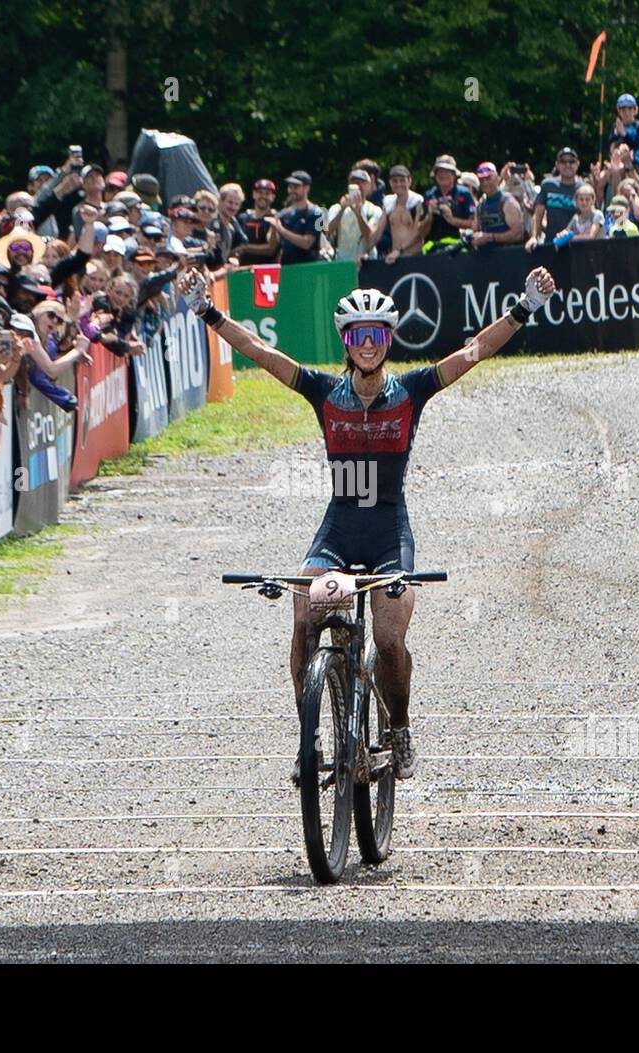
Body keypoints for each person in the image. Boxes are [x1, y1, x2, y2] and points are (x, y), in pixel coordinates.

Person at [177, 262, 556, 781]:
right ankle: (308, 742)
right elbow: (262, 354)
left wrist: (524, 307)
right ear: (347, 341)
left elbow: (473, 352)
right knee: (304, 616)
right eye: (359, 335)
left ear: (389, 338)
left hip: (388, 529)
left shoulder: (412, 391)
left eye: (376, 334)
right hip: (338, 526)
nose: (368, 344)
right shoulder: (322, 392)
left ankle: (398, 730)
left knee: (388, 639)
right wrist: (206, 310)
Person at [418, 155, 476, 253]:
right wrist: (430, 215)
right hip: (433, 248)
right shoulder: (429, 195)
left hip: (459, 248)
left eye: (446, 172)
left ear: (454, 175)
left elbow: (474, 224)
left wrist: (451, 219)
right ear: (435, 175)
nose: (443, 175)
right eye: (439, 172)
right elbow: (421, 232)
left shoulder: (464, 193)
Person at [527, 147, 581, 249]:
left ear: (577, 164)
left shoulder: (583, 188)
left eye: (571, 161)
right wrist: (533, 237)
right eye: (563, 161)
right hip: (551, 244)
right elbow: (538, 214)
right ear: (557, 165)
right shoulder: (548, 185)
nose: (567, 165)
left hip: (576, 246)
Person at [267, 171, 325, 265]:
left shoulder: (316, 213)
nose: (292, 190)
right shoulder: (283, 213)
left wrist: (281, 230)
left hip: (308, 267)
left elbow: (307, 243)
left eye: (296, 187)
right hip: (287, 267)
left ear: (306, 188)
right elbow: (272, 245)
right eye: (290, 186)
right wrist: (274, 229)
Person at [325, 169, 382, 261]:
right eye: (354, 182)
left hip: (366, 262)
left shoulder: (374, 210)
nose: (358, 186)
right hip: (343, 262)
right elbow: (328, 232)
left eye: (362, 182)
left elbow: (371, 237)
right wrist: (342, 210)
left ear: (368, 185)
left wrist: (358, 214)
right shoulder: (336, 208)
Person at [371, 165, 425, 263]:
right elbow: (379, 231)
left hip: (415, 257)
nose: (398, 184)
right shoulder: (388, 203)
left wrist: (399, 251)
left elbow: (418, 233)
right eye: (395, 181)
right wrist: (367, 251)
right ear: (390, 183)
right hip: (396, 258)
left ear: (409, 181)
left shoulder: (417, 202)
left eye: (402, 180)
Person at [469, 163, 525, 249]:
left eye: (488, 178)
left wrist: (490, 237)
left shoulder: (508, 202)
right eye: (482, 180)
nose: (485, 182)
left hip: (508, 255)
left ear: (497, 178)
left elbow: (518, 235)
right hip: (484, 258)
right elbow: (475, 229)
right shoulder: (480, 205)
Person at [236, 179, 280, 262]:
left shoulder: (275, 218)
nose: (263, 196)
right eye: (260, 193)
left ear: (273, 197)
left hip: (266, 270)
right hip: (242, 269)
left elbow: (271, 248)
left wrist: (245, 248)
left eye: (267, 194)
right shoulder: (242, 218)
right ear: (254, 194)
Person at [608, 93, 639, 167]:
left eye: (630, 109)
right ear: (619, 111)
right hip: (618, 162)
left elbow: (637, 145)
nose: (626, 112)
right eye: (623, 109)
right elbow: (610, 143)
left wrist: (624, 133)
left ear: (635, 110)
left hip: (635, 163)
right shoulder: (616, 126)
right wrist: (616, 133)